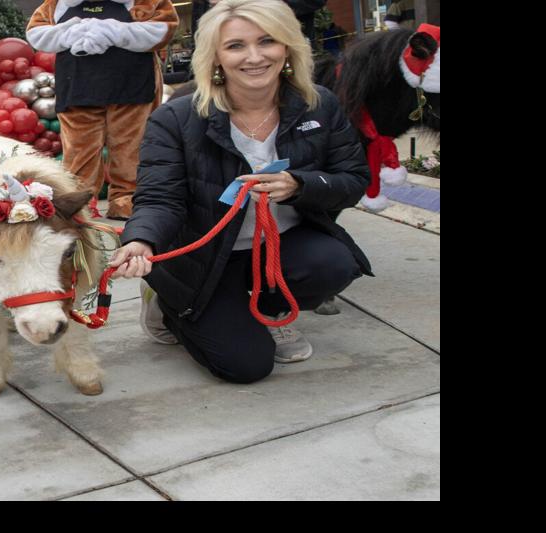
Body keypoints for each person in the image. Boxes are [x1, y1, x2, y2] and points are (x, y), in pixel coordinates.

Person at [109, 0, 372, 381]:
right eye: (235, 46)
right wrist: (142, 241)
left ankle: (271, 309)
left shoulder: (318, 104)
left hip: (279, 247)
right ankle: (169, 302)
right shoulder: (176, 117)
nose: (254, 57)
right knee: (245, 367)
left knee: (333, 264)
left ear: (287, 47)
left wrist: (300, 185)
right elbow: (159, 197)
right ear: (215, 56)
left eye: (267, 41)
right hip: (205, 255)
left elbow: (352, 180)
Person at [26, 0, 180, 220]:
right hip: (78, 86)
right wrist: (74, 31)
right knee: (80, 149)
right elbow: (36, 33)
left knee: (130, 147)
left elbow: (164, 28)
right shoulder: (57, 4)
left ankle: (127, 198)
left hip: (131, 86)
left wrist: (113, 31)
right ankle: (79, 201)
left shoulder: (145, 2)